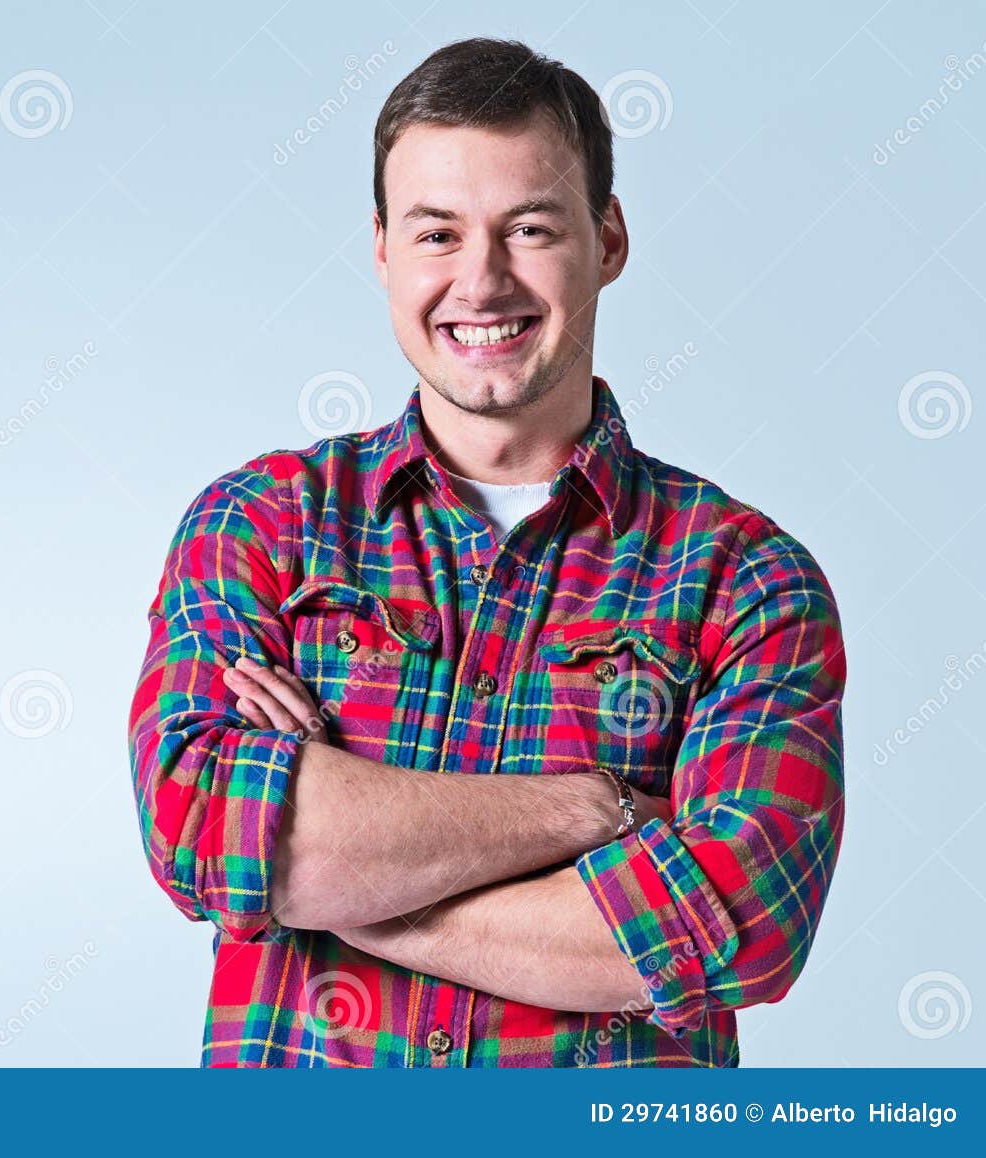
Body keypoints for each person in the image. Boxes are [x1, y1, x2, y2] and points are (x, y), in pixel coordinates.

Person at [126, 37, 845, 1068]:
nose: (481, 279)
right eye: (437, 233)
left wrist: (341, 887)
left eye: (530, 228)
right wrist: (591, 811)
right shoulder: (260, 525)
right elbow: (207, 831)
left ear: (607, 238)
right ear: (381, 250)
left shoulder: (746, 576)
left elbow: (735, 925)